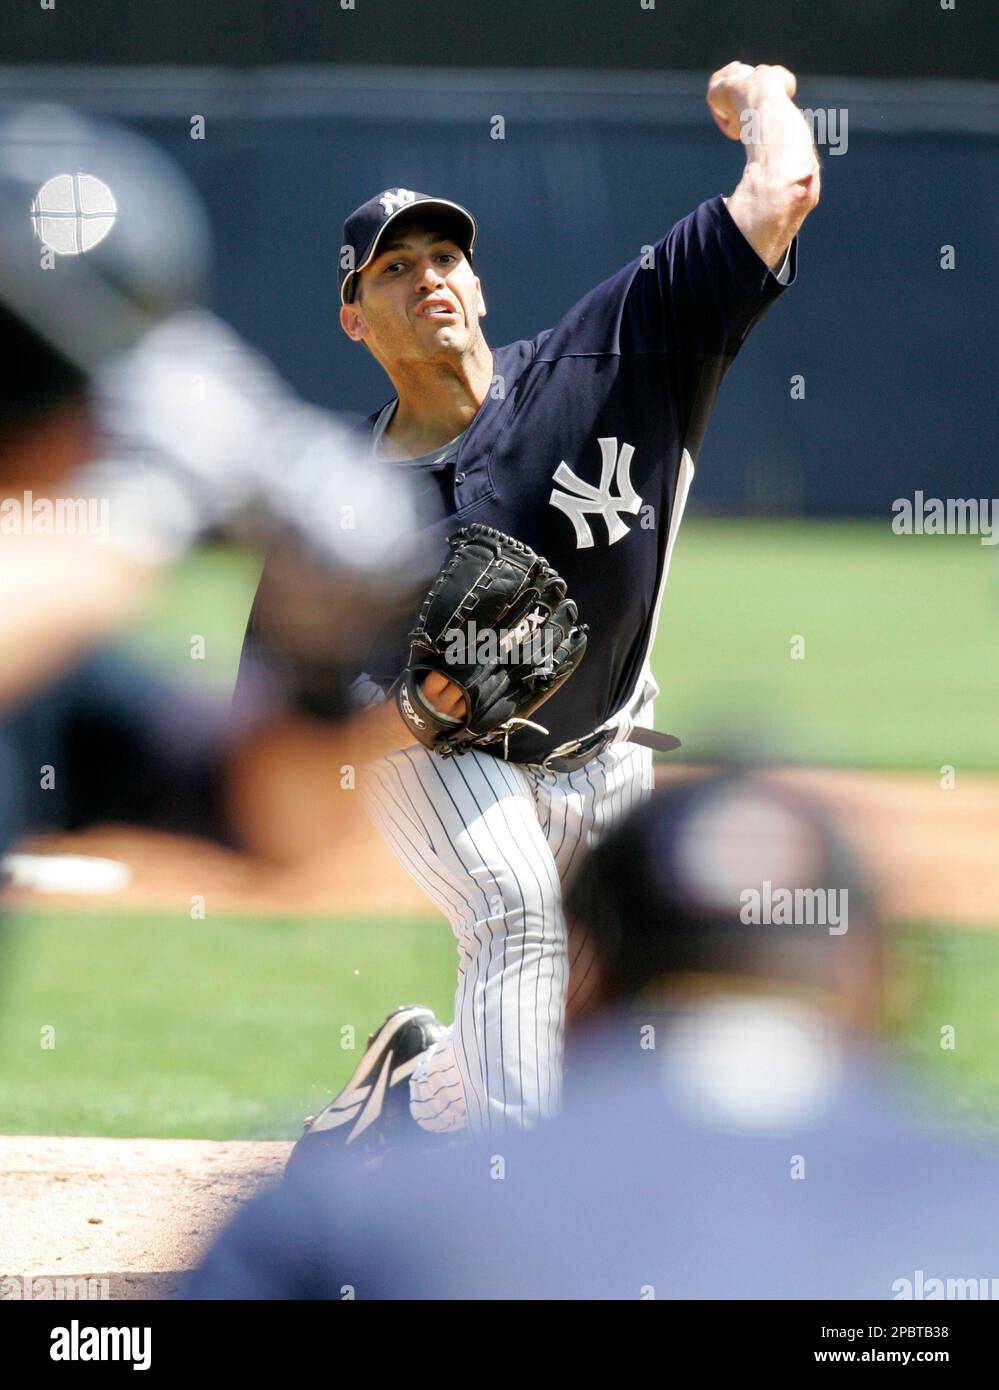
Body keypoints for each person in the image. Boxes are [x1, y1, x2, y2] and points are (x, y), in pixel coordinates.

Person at [259, 61, 820, 1158]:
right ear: (352, 320)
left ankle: (420, 1083)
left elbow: (786, 186)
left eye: (444, 256)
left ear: (477, 286)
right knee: (514, 913)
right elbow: (285, 734)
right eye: (392, 268)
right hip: (441, 756)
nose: (429, 276)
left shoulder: (619, 348)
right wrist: (418, 704)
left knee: (599, 993)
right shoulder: (338, 509)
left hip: (609, 738)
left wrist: (760, 87)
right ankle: (524, 1225)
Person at [189, 767, 999, 1300]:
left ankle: (432, 1079)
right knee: (514, 915)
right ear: (882, 991)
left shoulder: (331, 1226)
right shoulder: (976, 1217)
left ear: (584, 996)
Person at [0, 104, 427, 880]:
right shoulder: (69, 585)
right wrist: (134, 515)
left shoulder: (49, 679)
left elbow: (287, 829)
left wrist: (318, 667)